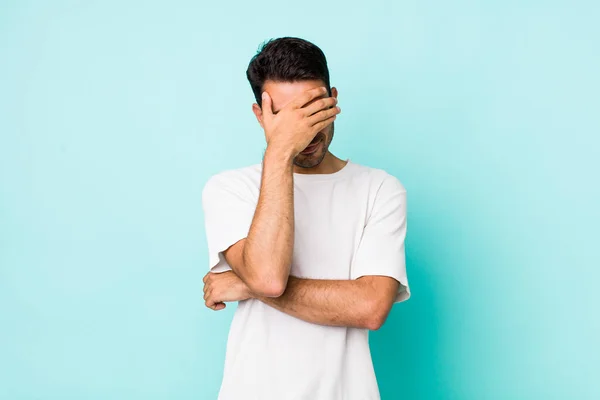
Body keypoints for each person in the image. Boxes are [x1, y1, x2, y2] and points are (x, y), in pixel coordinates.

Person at [201, 37, 410, 400]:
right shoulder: (230, 188)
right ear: (260, 115)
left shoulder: (380, 188)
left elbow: (371, 308)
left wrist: (244, 285)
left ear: (334, 99)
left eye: (313, 111)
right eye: (285, 116)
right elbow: (268, 277)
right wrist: (280, 150)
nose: (305, 131)